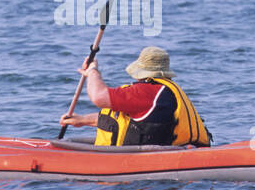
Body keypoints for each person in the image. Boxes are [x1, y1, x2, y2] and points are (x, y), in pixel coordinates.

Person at [59, 46, 211, 147]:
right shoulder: (165, 91)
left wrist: (93, 71)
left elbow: (98, 97)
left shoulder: (146, 93)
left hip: (146, 173)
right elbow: (123, 119)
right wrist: (82, 120)